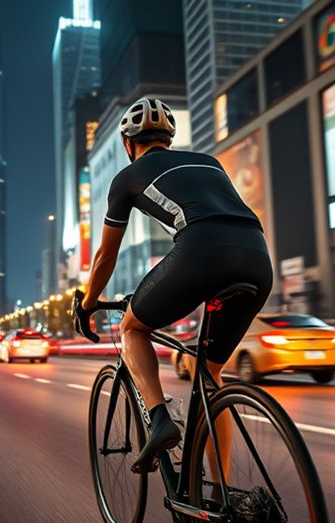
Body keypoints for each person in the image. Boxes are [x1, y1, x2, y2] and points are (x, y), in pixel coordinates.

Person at [72, 97, 273, 476]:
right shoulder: (209, 163)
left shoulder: (127, 178)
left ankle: (161, 419)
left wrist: (88, 303)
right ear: (168, 137)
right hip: (257, 256)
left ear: (129, 144)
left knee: (132, 326)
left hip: (201, 251)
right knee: (210, 372)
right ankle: (221, 493)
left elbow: (105, 257)